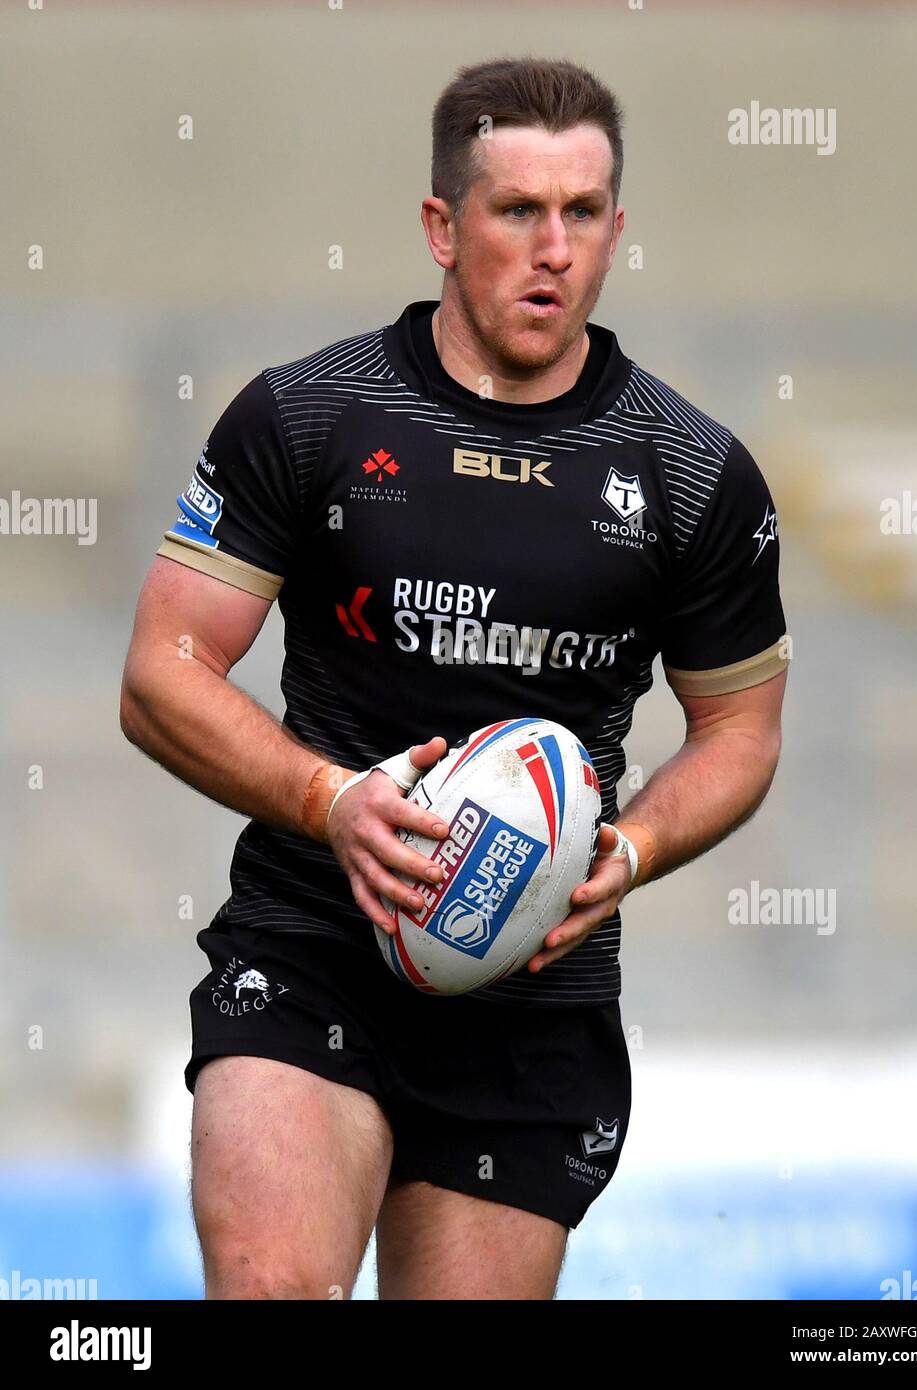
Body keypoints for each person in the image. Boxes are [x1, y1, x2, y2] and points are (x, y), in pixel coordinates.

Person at [119, 56, 788, 1301]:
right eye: (516, 210)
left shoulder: (693, 473)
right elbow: (162, 672)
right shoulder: (308, 418)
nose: (554, 249)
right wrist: (332, 805)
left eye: (582, 213)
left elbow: (742, 725)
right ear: (441, 224)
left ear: (617, 228)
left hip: (534, 989)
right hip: (314, 937)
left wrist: (630, 850)